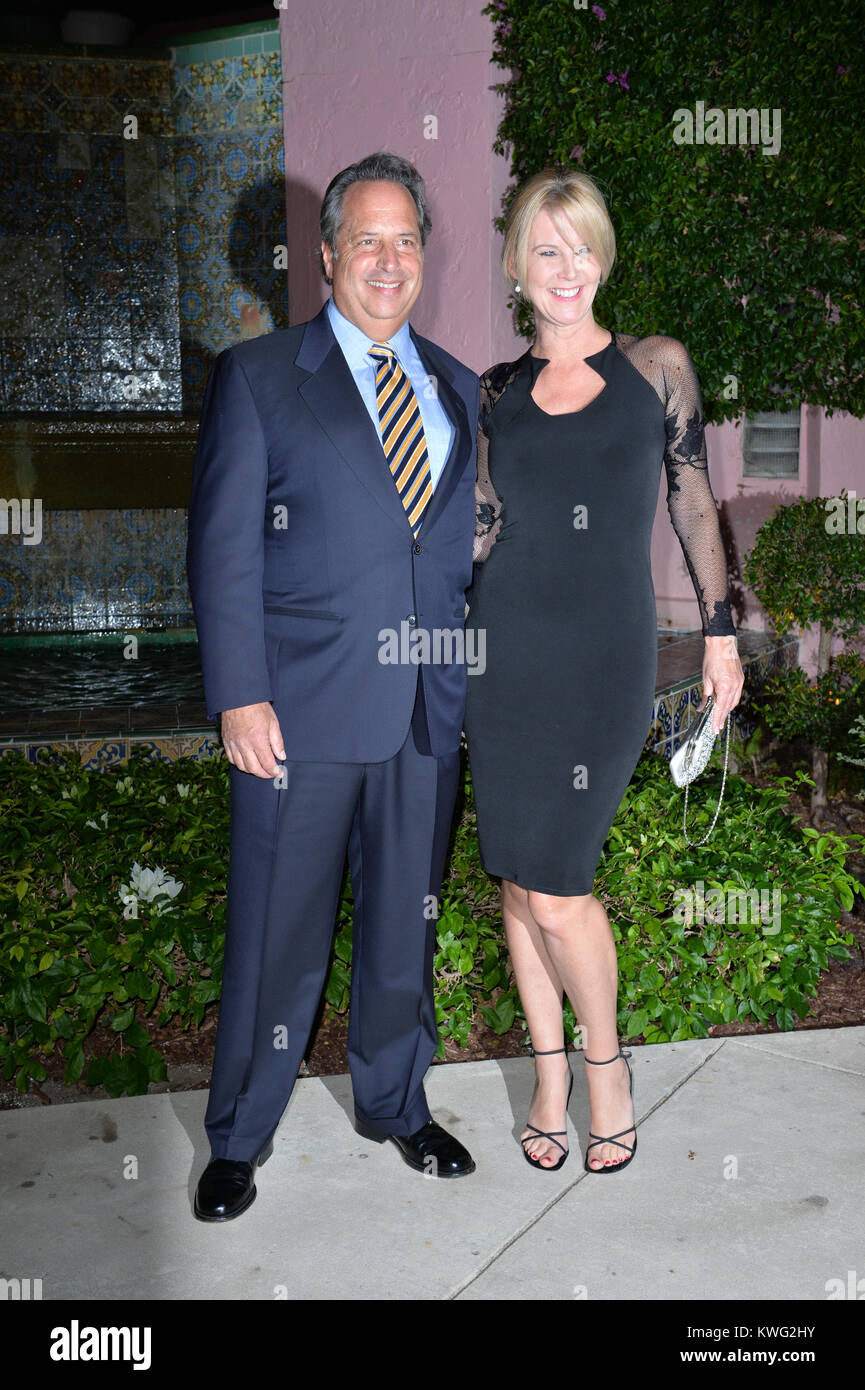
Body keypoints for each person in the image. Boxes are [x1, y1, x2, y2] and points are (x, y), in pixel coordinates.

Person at [186, 152, 480, 1221]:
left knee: (406, 925)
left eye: (407, 239)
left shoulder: (454, 385)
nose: (389, 259)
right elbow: (222, 550)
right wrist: (238, 692)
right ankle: (239, 1136)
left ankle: (396, 1104)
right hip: (296, 717)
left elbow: (446, 554)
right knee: (276, 934)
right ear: (325, 255)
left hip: (421, 715)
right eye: (368, 238)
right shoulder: (260, 376)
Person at [464, 168, 744, 1174]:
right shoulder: (495, 392)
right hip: (506, 655)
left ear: (603, 255)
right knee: (515, 879)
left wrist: (718, 630)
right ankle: (549, 1078)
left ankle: (607, 1066)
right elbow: (482, 531)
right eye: (547, 249)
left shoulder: (654, 367)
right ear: (517, 266)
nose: (567, 267)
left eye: (581, 247)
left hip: (603, 657)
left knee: (559, 886)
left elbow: (693, 497)